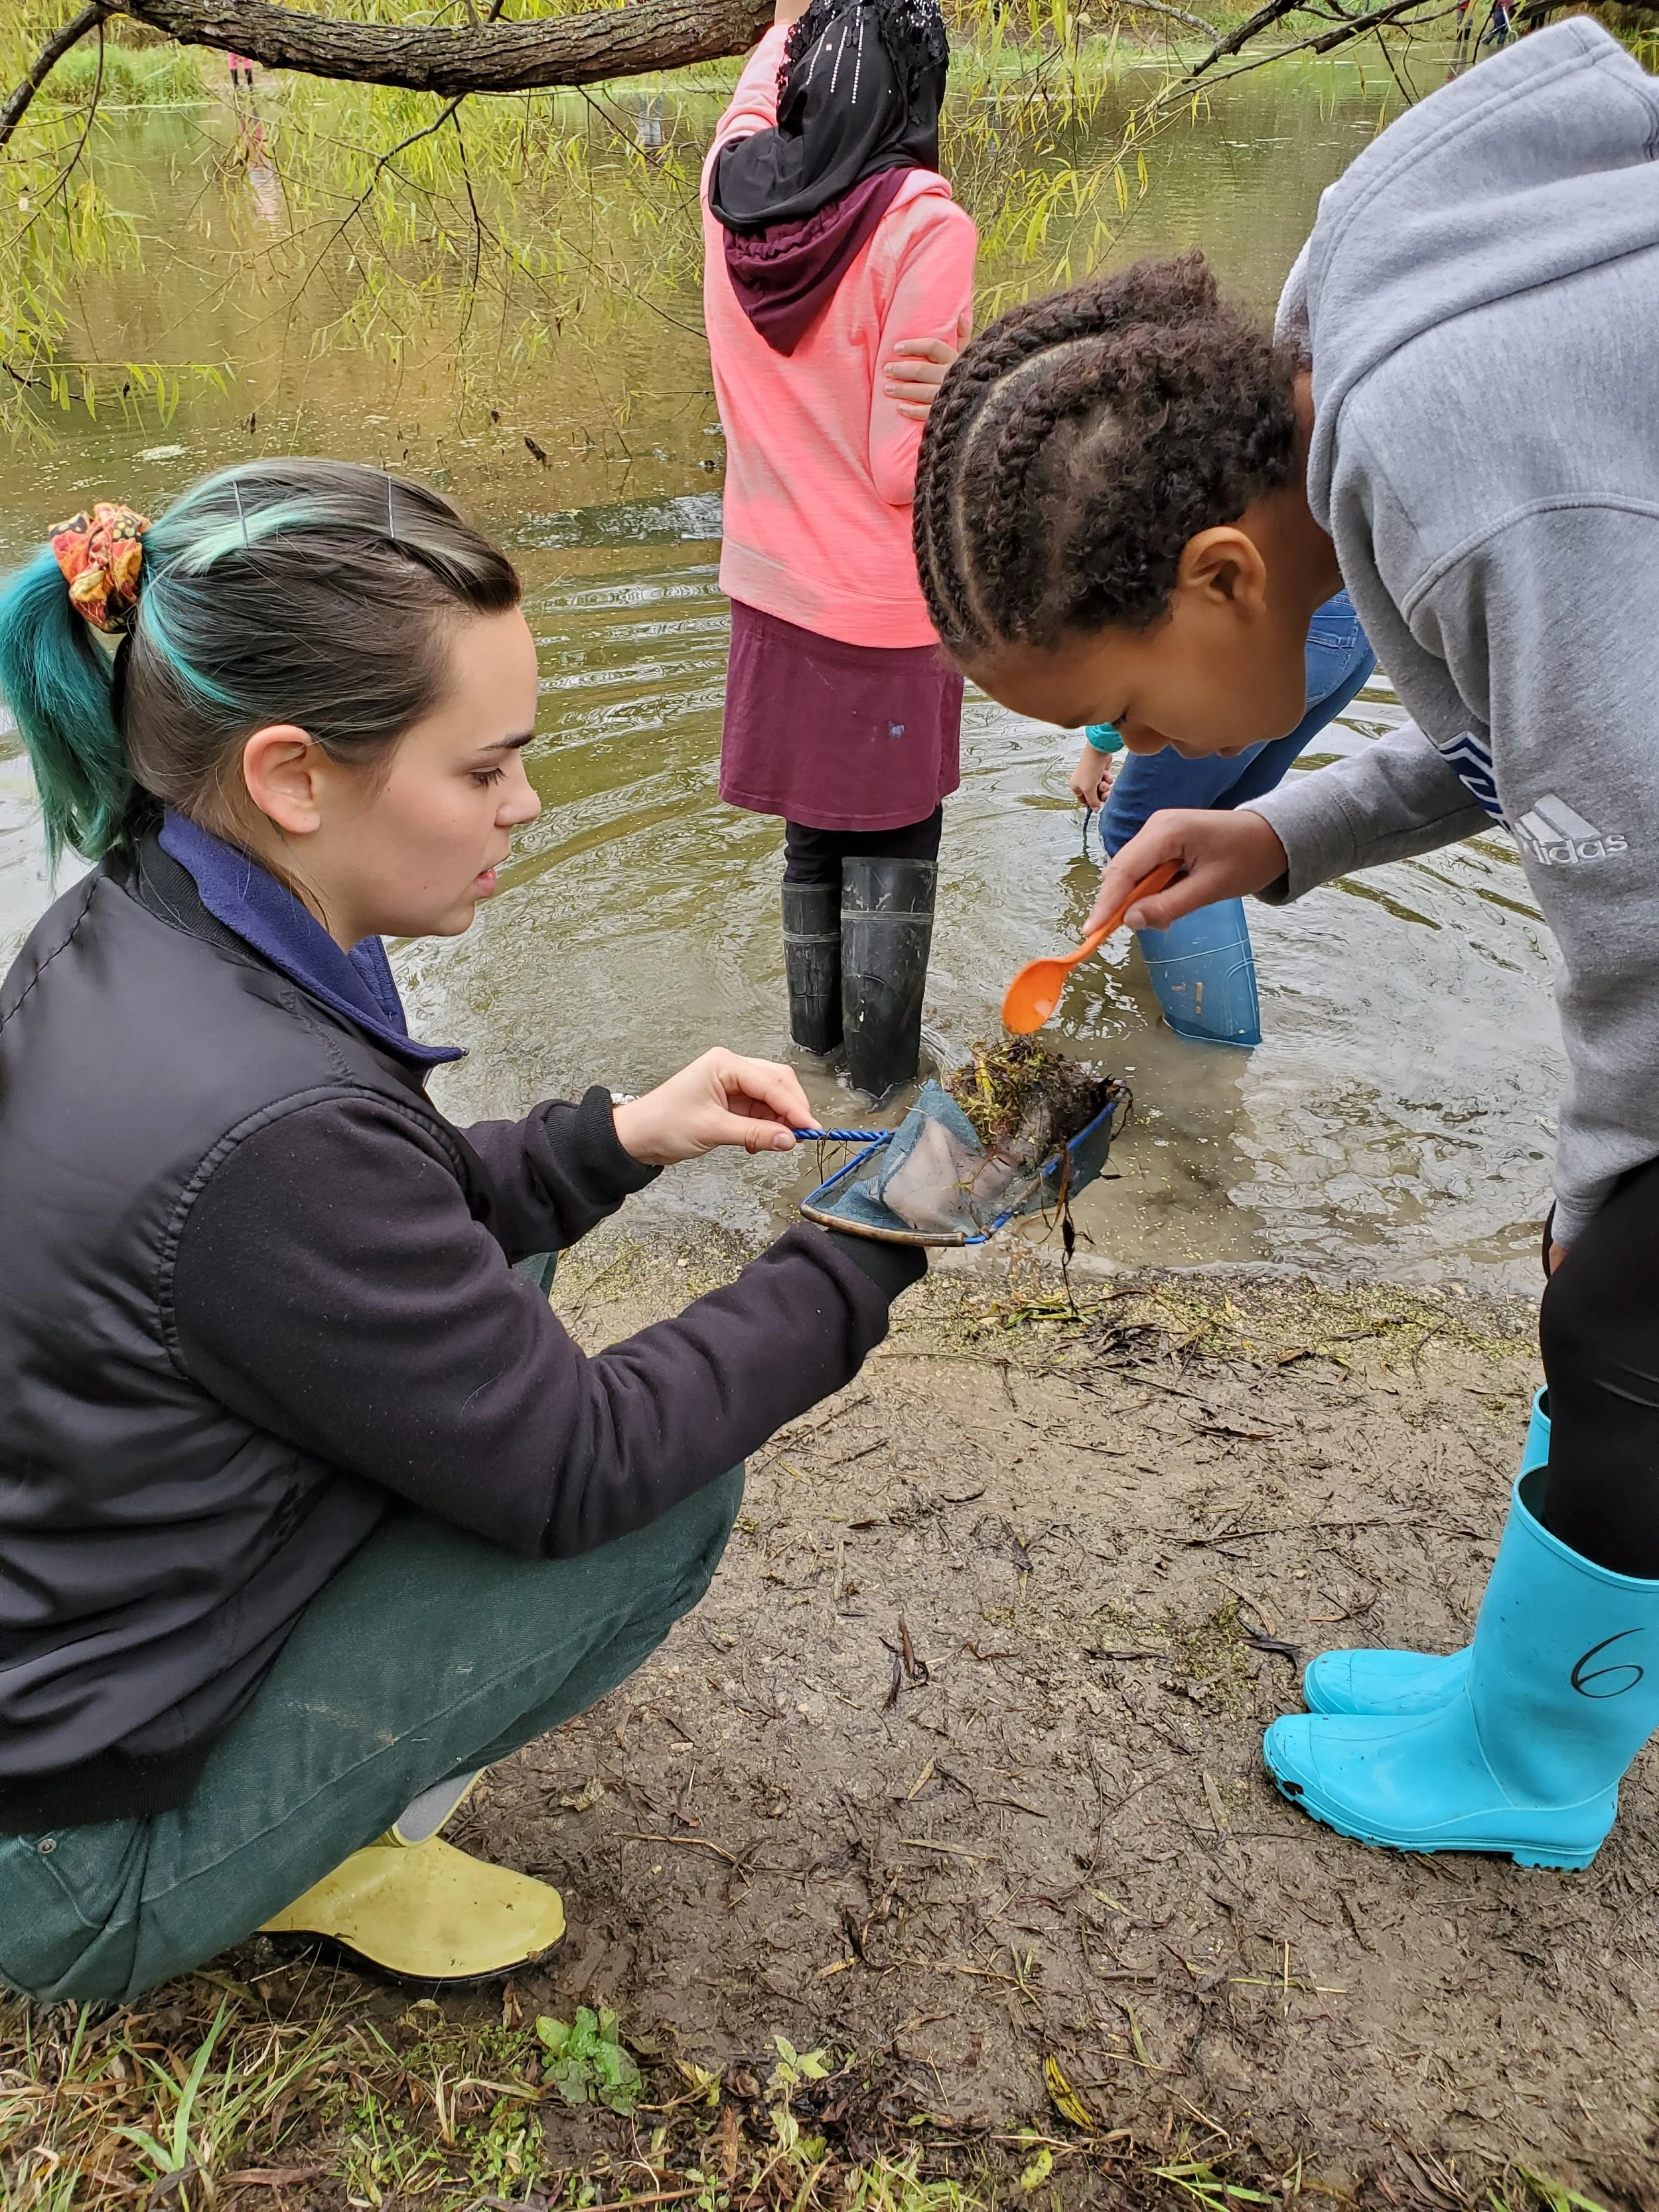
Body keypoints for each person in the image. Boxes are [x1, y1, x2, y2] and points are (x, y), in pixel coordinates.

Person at [0, 461, 927, 2006]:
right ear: (298, 777)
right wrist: (877, 1237)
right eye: (484, 770)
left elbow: (370, 1207)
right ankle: (300, 1848)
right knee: (656, 1507)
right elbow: (583, 1463)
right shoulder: (273, 1134)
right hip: (67, 1864)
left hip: (66, 1630)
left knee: (498, 1261)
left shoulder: (140, 912)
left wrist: (620, 1134)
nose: (526, 805)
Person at [910, 19, 1659, 1870]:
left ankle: (1533, 1762)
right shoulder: (1352, 366)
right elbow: (1554, 718)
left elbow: (1634, 885)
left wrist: (1607, 1168)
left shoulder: (1458, 464)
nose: (1140, 755)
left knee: (1627, 1299)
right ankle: (1519, 1678)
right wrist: (1273, 824)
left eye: (1137, 713)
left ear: (1222, 577)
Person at [703, 0, 977, 1100]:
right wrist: (978, 398)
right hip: (883, 607)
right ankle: (885, 1090)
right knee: (898, 842)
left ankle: (809, 1072)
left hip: (769, 592)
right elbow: (901, 472)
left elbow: (749, 105)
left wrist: (788, 23)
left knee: (814, 838)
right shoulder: (923, 225)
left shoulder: (732, 198)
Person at [1070, 595, 1373, 1046]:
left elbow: (1145, 617)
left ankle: (1203, 1047)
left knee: (1136, 829)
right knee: (1213, 828)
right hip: (1352, 625)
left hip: (1270, 630)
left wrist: (1098, 745)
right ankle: (1207, 1039)